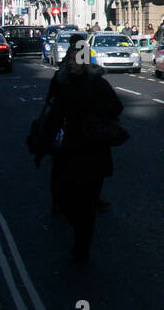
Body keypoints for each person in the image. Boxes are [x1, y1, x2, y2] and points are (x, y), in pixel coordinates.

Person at [41, 34, 124, 263]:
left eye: (75, 59)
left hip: (94, 151)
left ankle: (81, 247)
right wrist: (43, 145)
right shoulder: (64, 83)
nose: (70, 63)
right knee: (69, 200)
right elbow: (54, 117)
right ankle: (79, 231)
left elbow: (116, 108)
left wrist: (93, 113)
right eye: (69, 59)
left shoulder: (98, 84)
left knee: (87, 205)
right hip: (70, 150)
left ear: (85, 61)